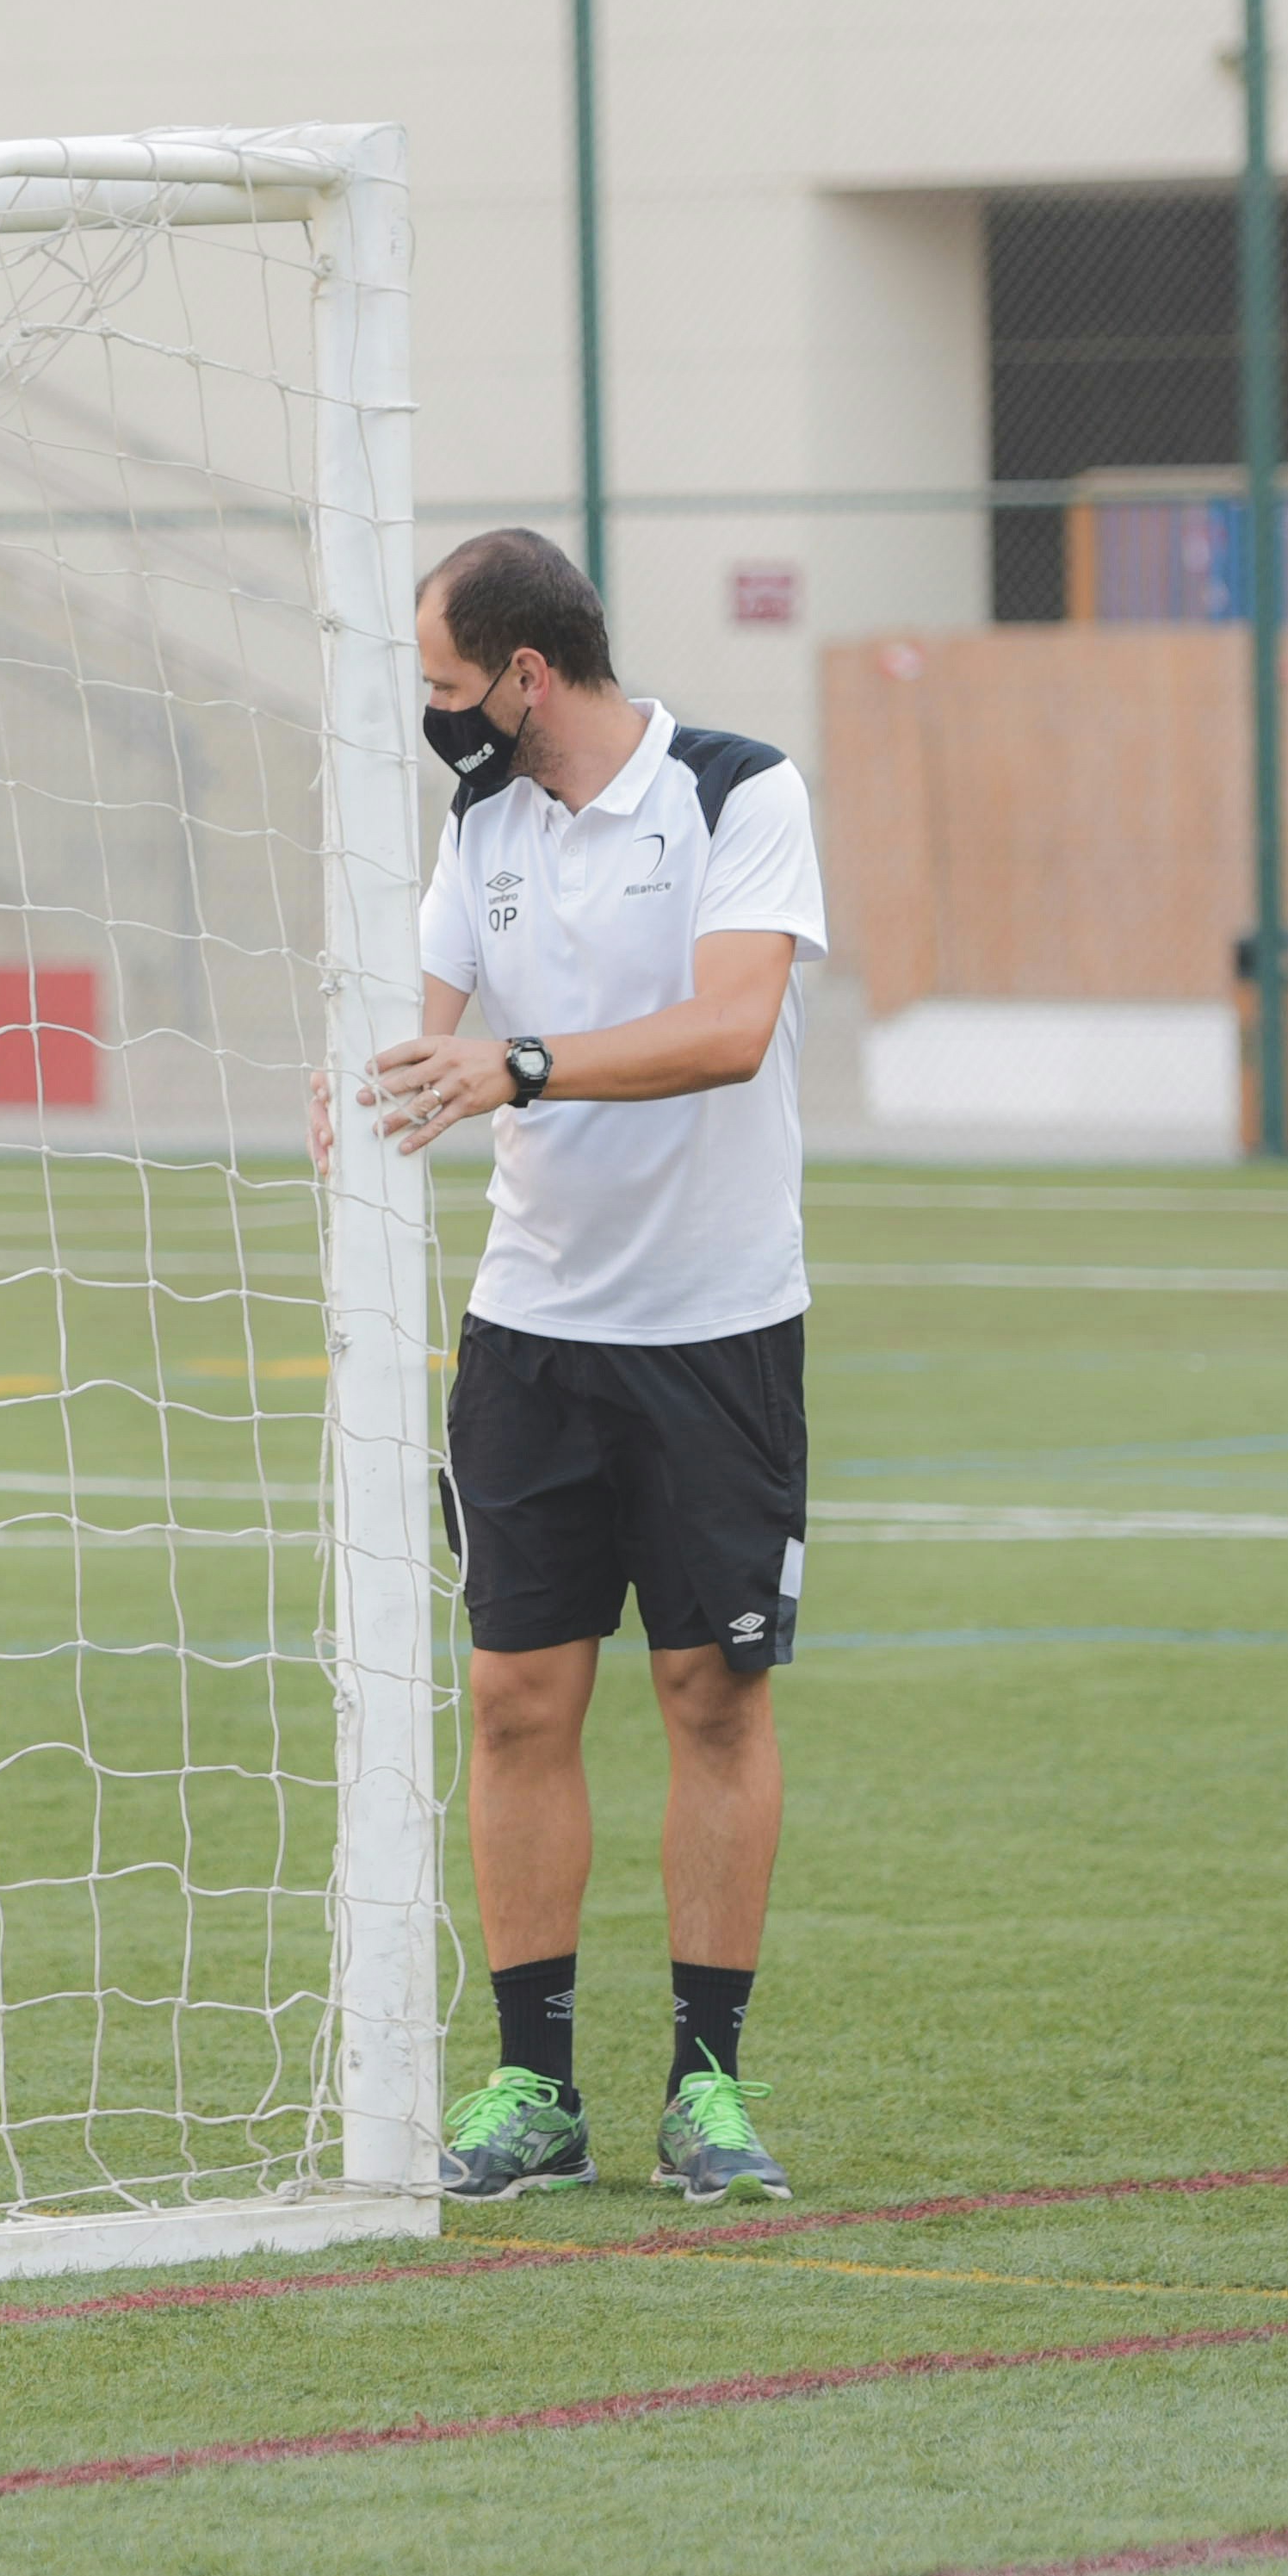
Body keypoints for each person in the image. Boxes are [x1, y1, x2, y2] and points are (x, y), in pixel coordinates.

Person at [354, 525, 828, 2208]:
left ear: (525, 674)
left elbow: (728, 1027)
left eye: (443, 684)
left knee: (709, 1694)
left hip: (713, 1330)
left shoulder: (735, 790)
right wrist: (382, 1074)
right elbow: (412, 1026)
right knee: (511, 1697)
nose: (436, 712)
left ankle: (702, 2083)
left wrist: (517, 1066)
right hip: (529, 1335)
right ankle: (529, 2082)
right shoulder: (472, 825)